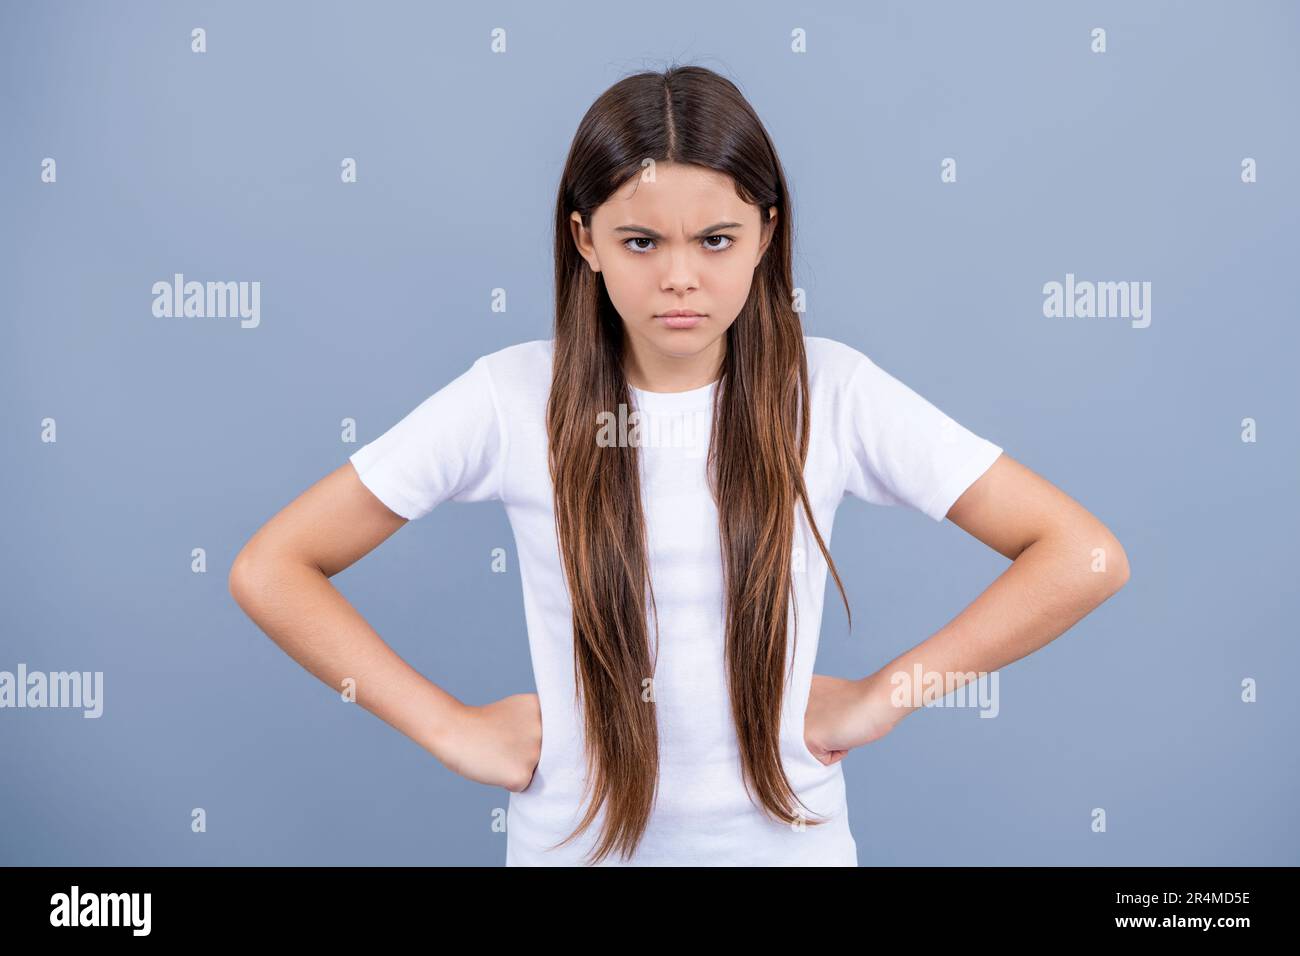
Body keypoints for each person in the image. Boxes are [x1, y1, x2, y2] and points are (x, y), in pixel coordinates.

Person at [228, 65, 1130, 867]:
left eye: (716, 239)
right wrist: (447, 728)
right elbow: (272, 567)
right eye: (640, 242)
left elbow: (1083, 554)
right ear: (584, 241)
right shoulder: (511, 398)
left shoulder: (833, 391)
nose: (680, 279)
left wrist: (885, 697)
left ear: (767, 234)